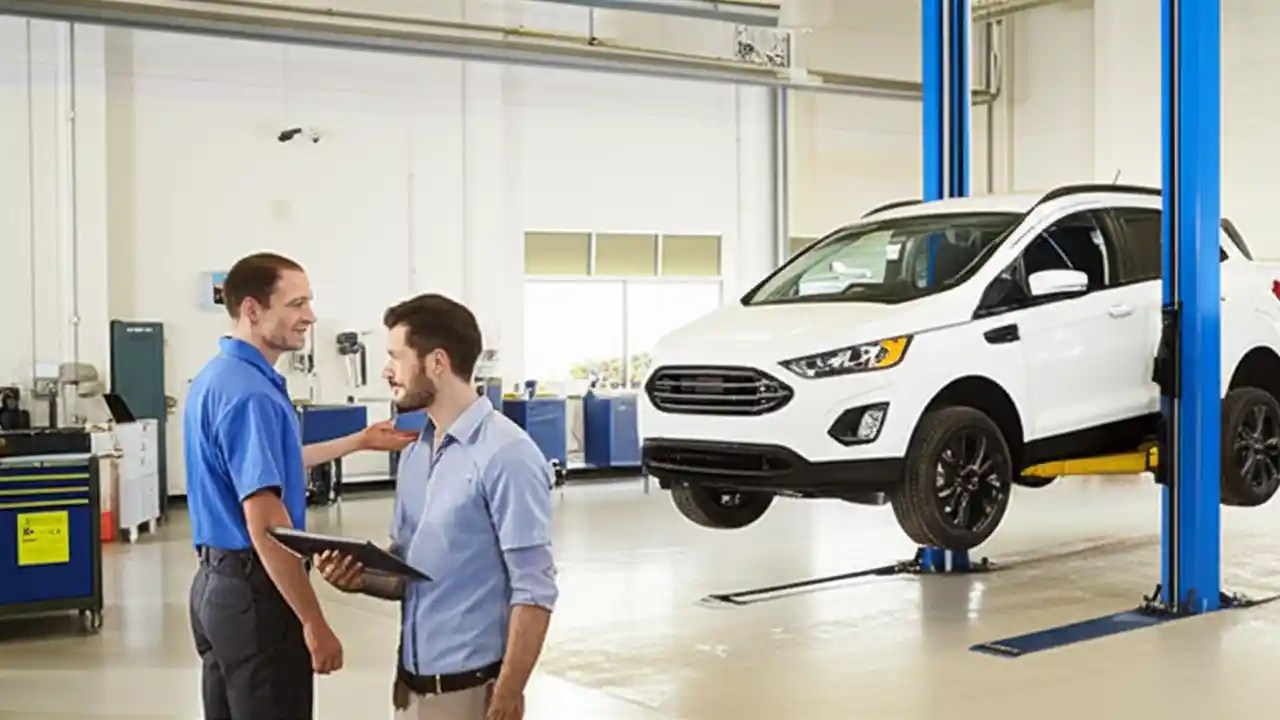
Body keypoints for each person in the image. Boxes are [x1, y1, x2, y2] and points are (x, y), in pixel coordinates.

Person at [184, 251, 417, 720]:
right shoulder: (252, 395)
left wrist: (358, 441)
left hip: (215, 587)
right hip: (255, 594)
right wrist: (314, 621)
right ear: (252, 309)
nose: (309, 316)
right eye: (296, 304)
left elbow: (271, 465)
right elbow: (266, 524)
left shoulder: (219, 377)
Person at [315, 293, 558, 720]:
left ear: (437, 363)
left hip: (471, 693)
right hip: (409, 688)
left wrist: (508, 693)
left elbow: (534, 589)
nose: (387, 371)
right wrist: (358, 578)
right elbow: (408, 571)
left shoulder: (507, 456)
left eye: (396, 356)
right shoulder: (415, 454)